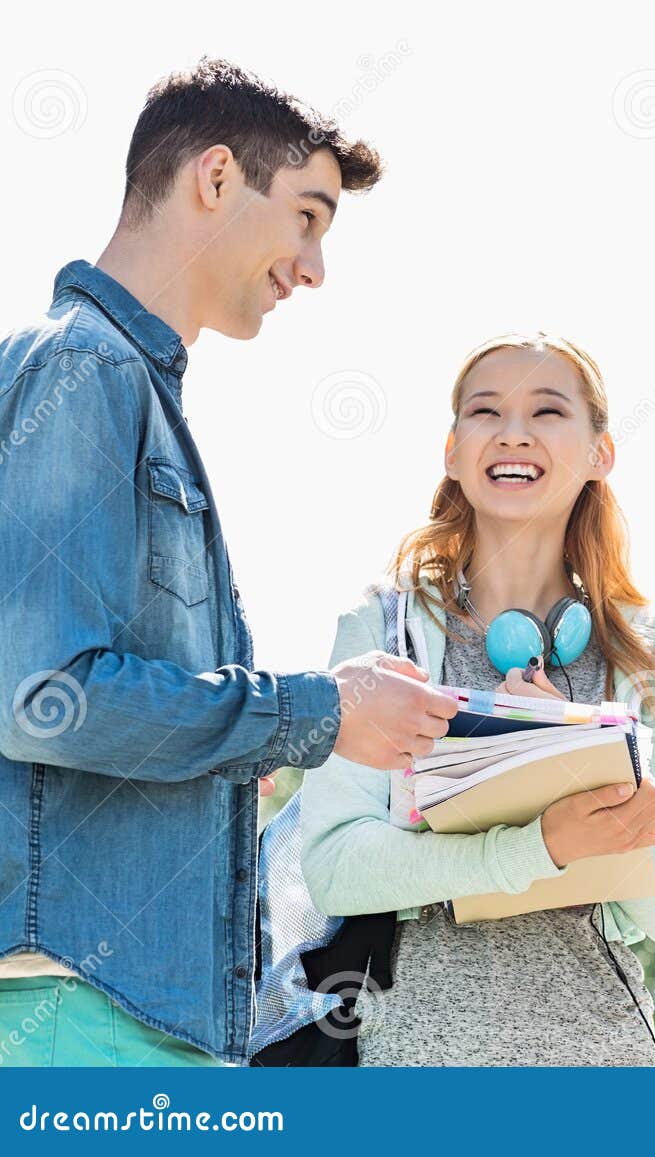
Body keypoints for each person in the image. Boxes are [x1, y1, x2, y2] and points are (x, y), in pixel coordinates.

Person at [0, 59, 460, 1067]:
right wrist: (318, 710)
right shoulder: (85, 369)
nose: (314, 267)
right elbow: (44, 696)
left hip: (131, 1010)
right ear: (215, 177)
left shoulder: (124, 384)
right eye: (306, 217)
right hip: (78, 1010)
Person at [293, 333, 655, 1066]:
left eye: (547, 411)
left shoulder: (650, 650)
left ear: (600, 453)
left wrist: (587, 764)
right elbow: (335, 869)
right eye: (487, 411)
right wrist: (539, 846)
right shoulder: (381, 632)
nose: (514, 432)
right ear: (453, 452)